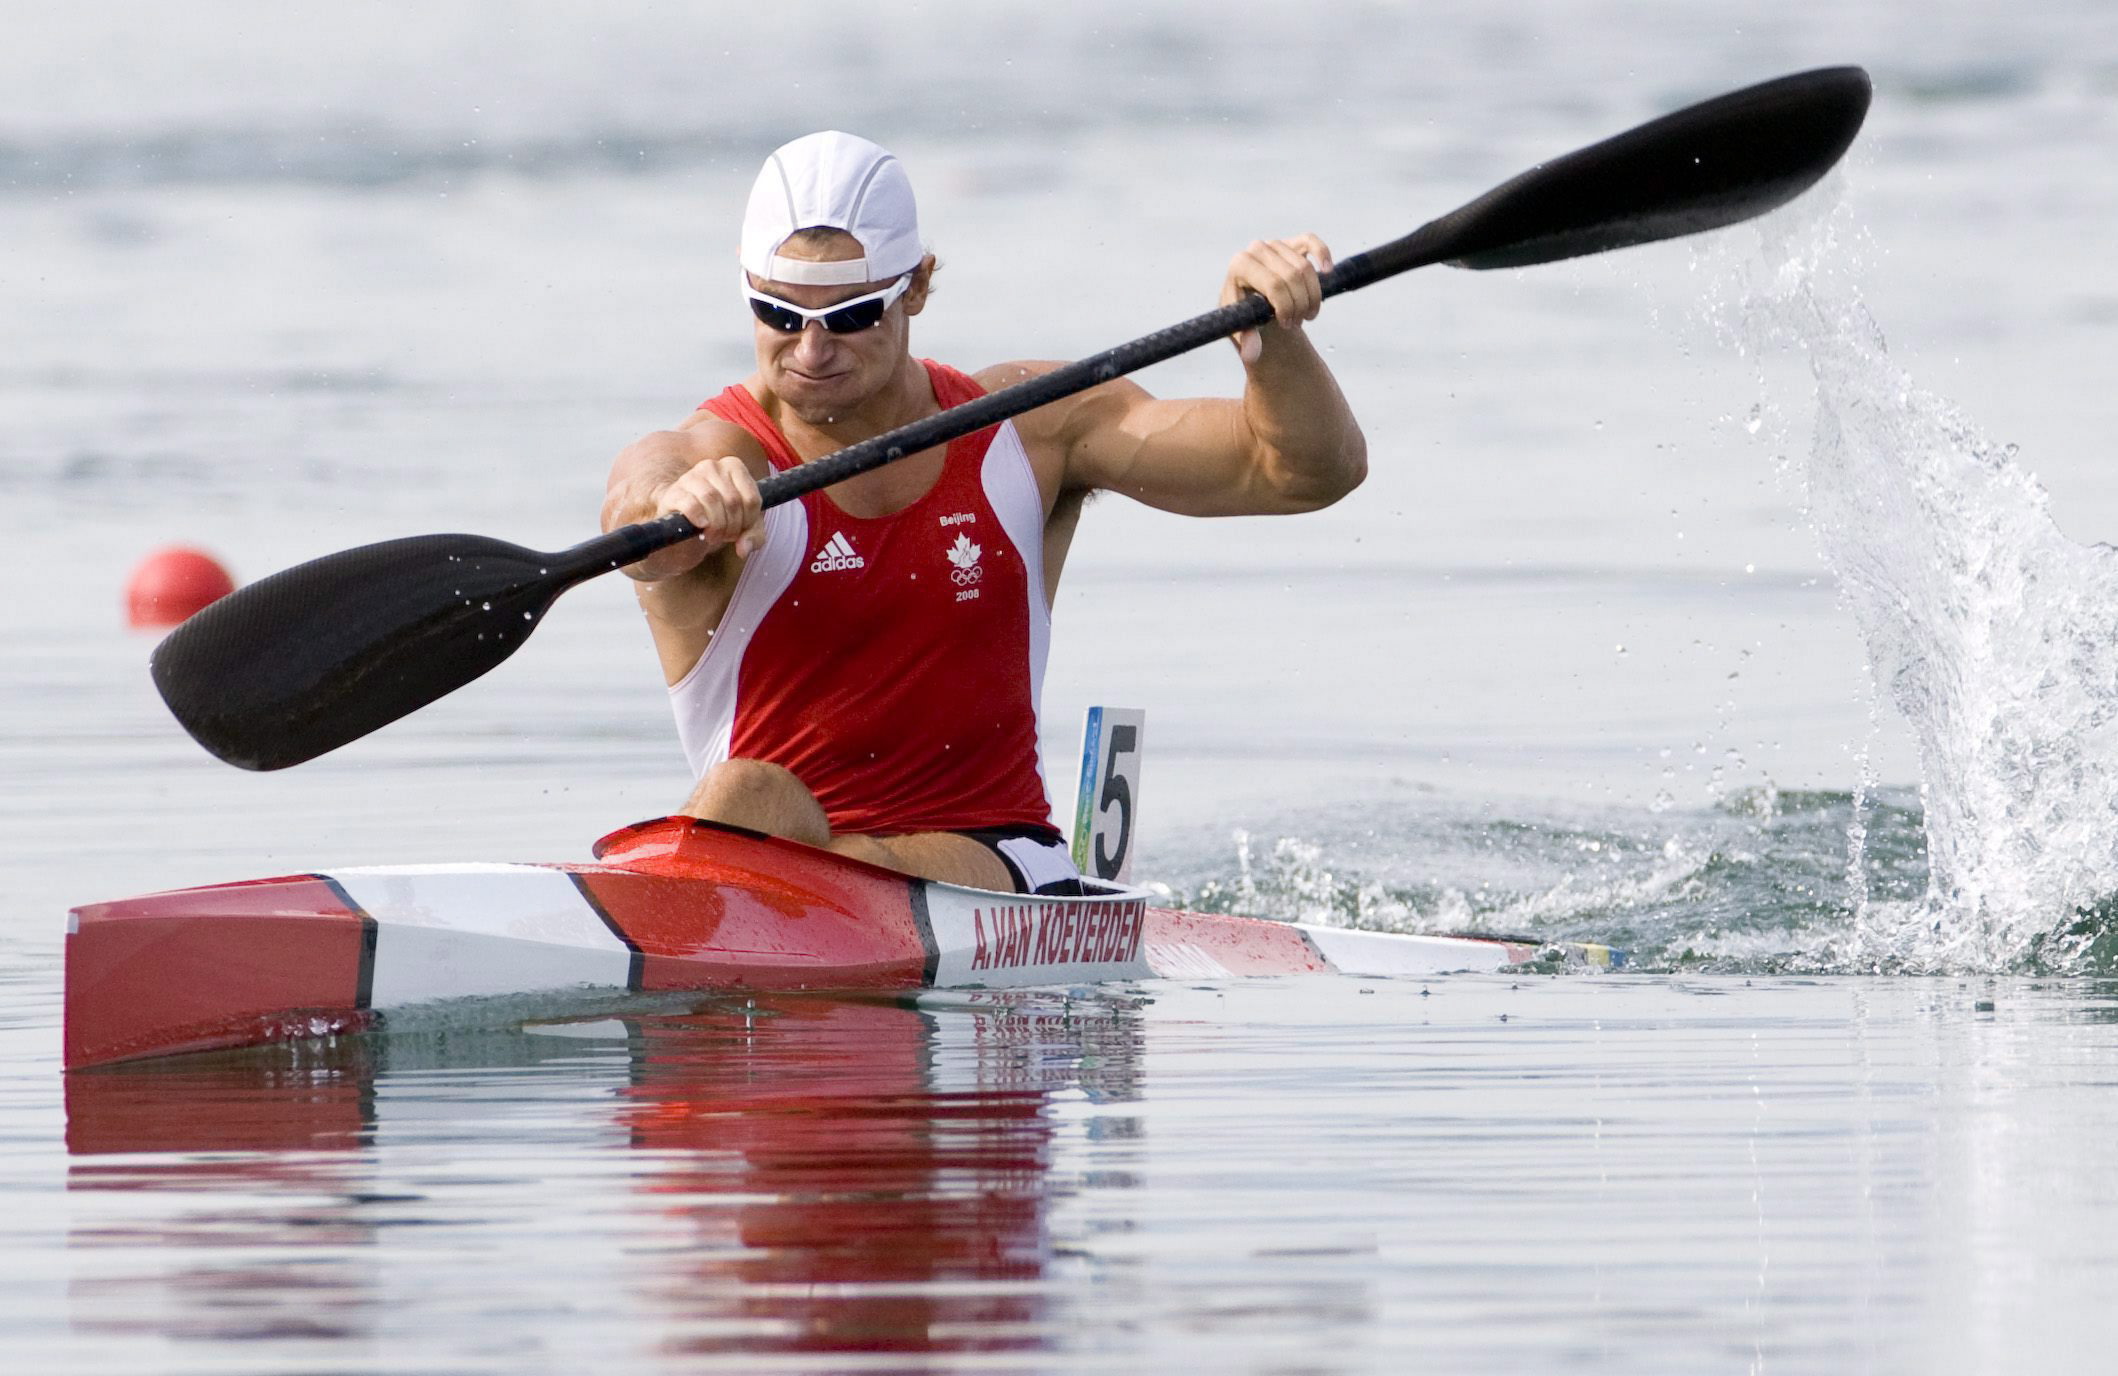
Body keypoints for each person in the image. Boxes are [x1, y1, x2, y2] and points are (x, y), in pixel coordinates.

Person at [603, 131, 1365, 894]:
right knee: (750, 793)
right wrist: (672, 506)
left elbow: (1301, 474)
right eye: (777, 312)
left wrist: (1272, 337)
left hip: (998, 867)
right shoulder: (724, 453)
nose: (810, 349)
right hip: (774, 865)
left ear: (919, 286)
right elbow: (640, 503)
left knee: (785, 827)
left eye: (850, 315)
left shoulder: (1029, 427)